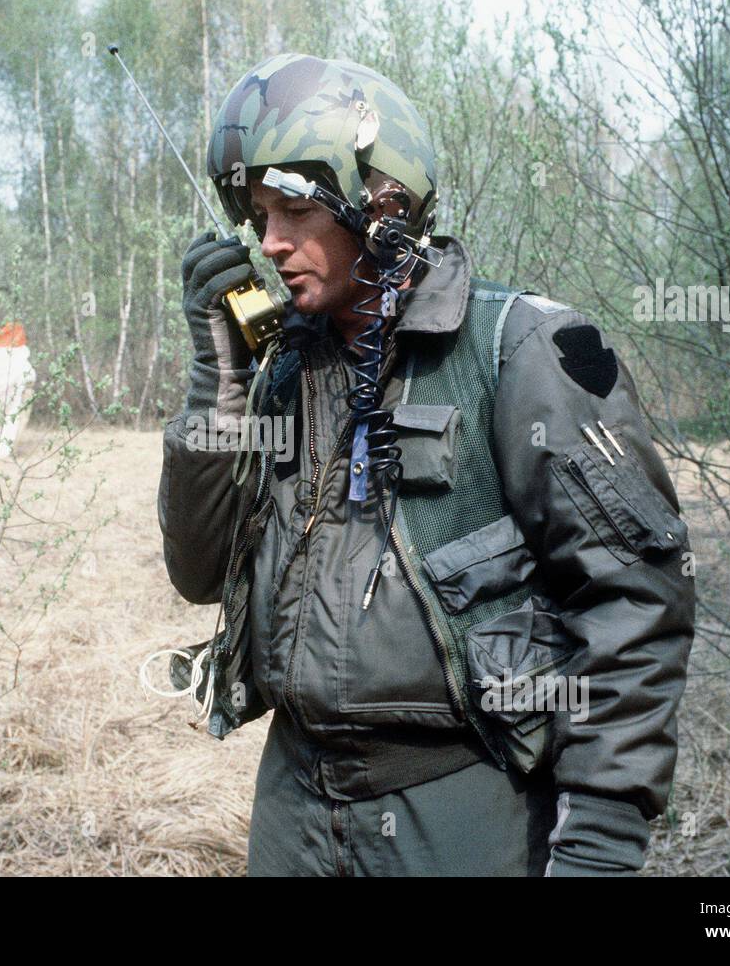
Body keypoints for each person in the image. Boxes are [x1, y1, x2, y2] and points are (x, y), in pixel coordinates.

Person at [156, 52, 695, 876]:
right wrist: (218, 381)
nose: (269, 242)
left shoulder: (518, 349)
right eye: (257, 213)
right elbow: (199, 570)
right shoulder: (286, 370)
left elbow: (633, 606)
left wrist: (598, 844)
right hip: (295, 807)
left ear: (381, 202)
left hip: (462, 809)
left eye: (293, 209)